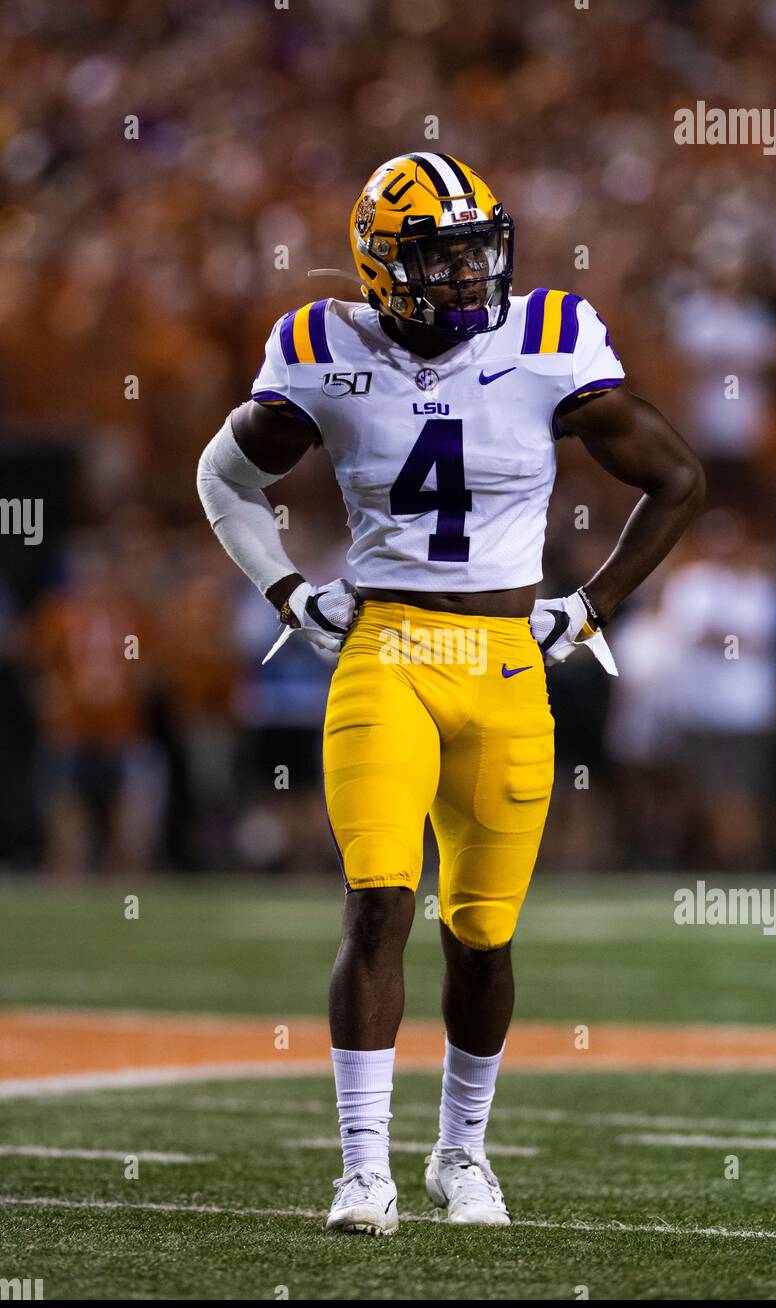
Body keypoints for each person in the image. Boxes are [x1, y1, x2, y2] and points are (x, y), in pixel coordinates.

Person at [197, 153, 704, 1235]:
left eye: (479, 247)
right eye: (441, 254)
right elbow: (224, 476)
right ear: (384, 268)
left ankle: (460, 1155)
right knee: (378, 898)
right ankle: (362, 1168)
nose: (472, 272)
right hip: (385, 651)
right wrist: (286, 589)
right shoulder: (319, 348)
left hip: (508, 666)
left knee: (481, 933)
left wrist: (593, 605)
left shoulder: (549, 339)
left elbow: (676, 478)